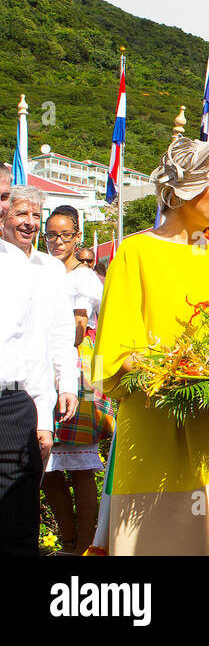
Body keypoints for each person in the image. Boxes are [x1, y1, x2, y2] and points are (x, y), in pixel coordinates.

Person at [90, 137, 209, 555]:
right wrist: (179, 369)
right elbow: (114, 356)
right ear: (185, 187)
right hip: (155, 439)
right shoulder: (135, 253)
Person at [41, 205, 112, 555]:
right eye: (51, 235)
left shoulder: (82, 278)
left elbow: (77, 329)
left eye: (65, 235)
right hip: (48, 364)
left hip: (80, 366)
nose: (57, 241)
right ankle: (69, 541)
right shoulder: (41, 270)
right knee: (48, 460)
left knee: (80, 465)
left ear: (77, 236)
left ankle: (86, 546)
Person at [0, 233, 57, 554]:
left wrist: (44, 418)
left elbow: (37, 346)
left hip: (11, 405)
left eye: (4, 195)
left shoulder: (16, 265)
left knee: (16, 529)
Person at [2, 188, 78, 427]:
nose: (30, 223)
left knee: (38, 457)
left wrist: (67, 385)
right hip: (5, 392)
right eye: (22, 214)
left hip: (40, 395)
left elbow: (61, 334)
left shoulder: (51, 268)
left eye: (36, 216)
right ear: (3, 216)